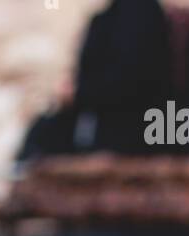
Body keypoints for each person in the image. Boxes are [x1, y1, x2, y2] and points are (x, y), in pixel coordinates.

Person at [72, 0, 173, 154]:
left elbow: (131, 79)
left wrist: (83, 93)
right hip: (128, 130)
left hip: (127, 134)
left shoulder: (137, 15)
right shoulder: (110, 18)